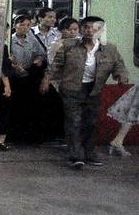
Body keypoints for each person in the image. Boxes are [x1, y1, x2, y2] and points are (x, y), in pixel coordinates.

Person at [42, 15, 129, 169]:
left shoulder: (110, 49)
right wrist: (47, 79)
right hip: (72, 88)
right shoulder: (68, 45)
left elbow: (118, 65)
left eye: (95, 28)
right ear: (82, 29)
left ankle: (90, 153)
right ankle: (76, 156)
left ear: (101, 30)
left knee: (90, 123)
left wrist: (121, 76)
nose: (90, 31)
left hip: (94, 90)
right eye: (87, 27)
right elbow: (56, 65)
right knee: (74, 122)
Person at [6, 13, 47, 144]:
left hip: (30, 78)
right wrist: (16, 67)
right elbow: (7, 58)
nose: (25, 27)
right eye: (21, 24)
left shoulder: (32, 39)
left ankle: (30, 137)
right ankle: (14, 137)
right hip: (14, 79)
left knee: (30, 108)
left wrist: (37, 61)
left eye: (28, 25)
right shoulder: (10, 40)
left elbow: (41, 54)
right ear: (14, 25)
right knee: (15, 108)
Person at [108, 35, 139, 156]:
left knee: (131, 114)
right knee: (132, 114)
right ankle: (117, 142)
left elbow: (137, 63)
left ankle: (117, 141)